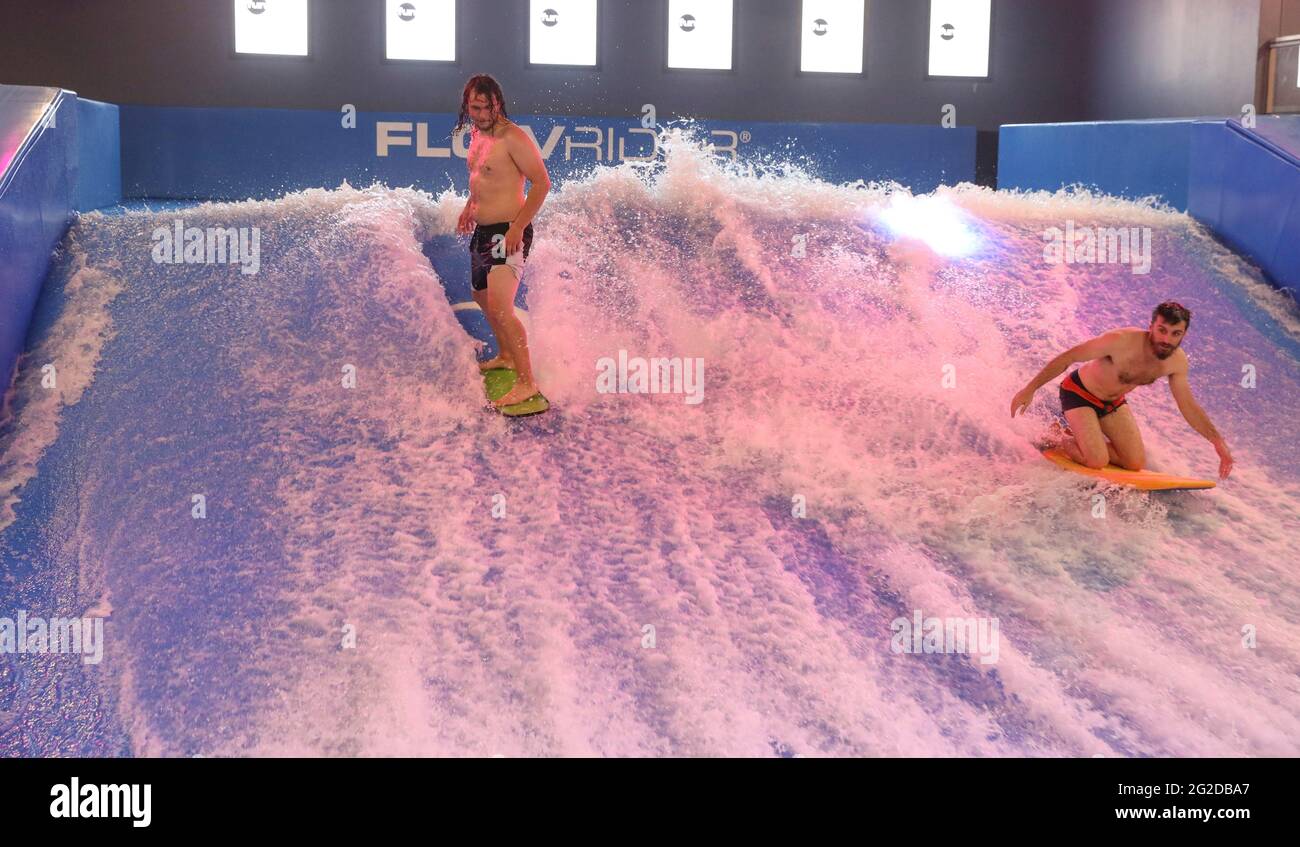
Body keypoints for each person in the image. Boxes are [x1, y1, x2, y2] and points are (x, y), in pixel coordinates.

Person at [1010, 301, 1233, 479]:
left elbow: (1188, 405)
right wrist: (1029, 389)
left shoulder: (1176, 362)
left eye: (1175, 333)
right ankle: (1059, 436)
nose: (1166, 339)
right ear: (1151, 326)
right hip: (1079, 393)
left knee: (1135, 463)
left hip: (1113, 404)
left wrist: (1217, 441)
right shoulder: (1120, 341)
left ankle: (1084, 440)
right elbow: (1069, 357)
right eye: (1162, 330)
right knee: (1096, 460)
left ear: (1183, 335)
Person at [453, 74, 551, 407]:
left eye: (484, 107)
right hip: (483, 230)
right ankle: (507, 355)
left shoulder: (514, 137)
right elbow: (481, 178)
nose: (478, 114)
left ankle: (527, 383)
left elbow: (541, 184)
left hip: (508, 230)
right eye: (473, 108)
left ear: (497, 103)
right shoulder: (478, 134)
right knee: (480, 296)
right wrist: (470, 207)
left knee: (502, 308)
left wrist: (517, 229)